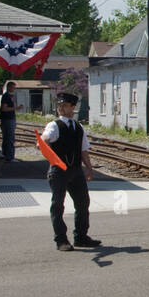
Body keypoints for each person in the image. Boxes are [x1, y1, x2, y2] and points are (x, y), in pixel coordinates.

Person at [41, 92, 101, 251]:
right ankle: (61, 240)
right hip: (58, 171)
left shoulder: (79, 127)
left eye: (65, 105)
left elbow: (84, 150)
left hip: (75, 171)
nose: (60, 108)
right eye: (59, 105)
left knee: (83, 203)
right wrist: (44, 144)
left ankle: (81, 237)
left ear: (73, 107)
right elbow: (45, 139)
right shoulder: (54, 125)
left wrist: (89, 168)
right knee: (57, 205)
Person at [0, 81, 18, 161]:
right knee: (9, 138)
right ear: (9, 87)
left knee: (8, 138)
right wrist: (15, 108)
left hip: (10, 119)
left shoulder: (11, 96)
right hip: (7, 119)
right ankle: (9, 157)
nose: (14, 89)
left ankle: (5, 155)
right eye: (13, 87)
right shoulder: (6, 96)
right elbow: (4, 108)